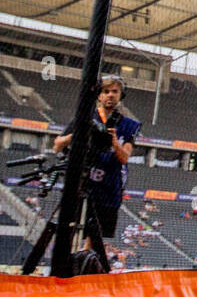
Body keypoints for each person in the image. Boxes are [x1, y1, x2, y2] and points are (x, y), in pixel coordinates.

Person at [52, 75, 140, 266]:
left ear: (120, 95)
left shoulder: (129, 125)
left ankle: (83, 267)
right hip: (81, 181)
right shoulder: (85, 117)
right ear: (99, 95)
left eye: (114, 92)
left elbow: (125, 157)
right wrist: (81, 133)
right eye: (106, 91)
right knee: (68, 227)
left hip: (108, 186)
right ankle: (62, 266)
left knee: (95, 236)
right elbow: (57, 146)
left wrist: (114, 141)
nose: (110, 96)